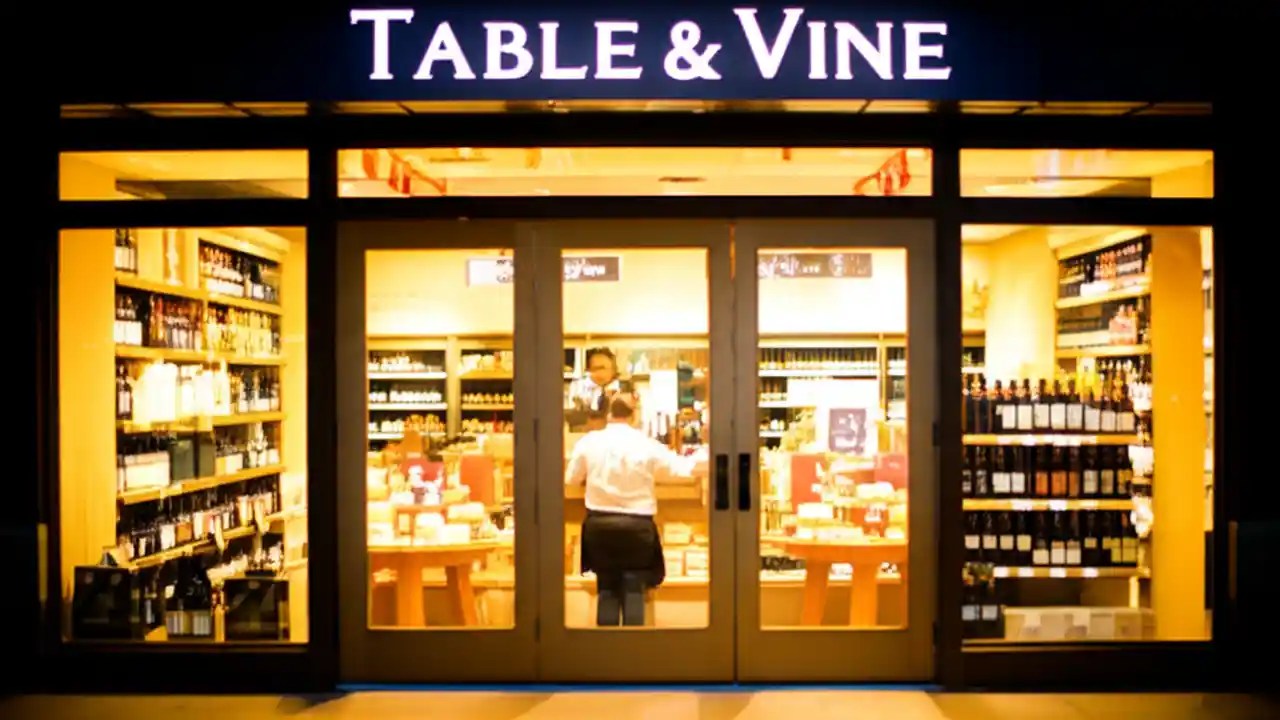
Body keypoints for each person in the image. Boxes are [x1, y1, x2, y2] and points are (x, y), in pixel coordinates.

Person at [564, 392, 690, 626]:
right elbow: (679, 470)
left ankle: (606, 653)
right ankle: (632, 654)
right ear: (634, 416)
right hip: (637, 528)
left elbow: (571, 479)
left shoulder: (589, 442)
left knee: (607, 590)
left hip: (600, 526)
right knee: (634, 591)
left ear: (607, 414)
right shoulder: (647, 444)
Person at [566, 346, 630, 432]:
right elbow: (572, 419)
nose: (598, 373)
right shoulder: (578, 387)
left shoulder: (624, 389)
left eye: (602, 368)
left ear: (614, 369)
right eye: (594, 369)